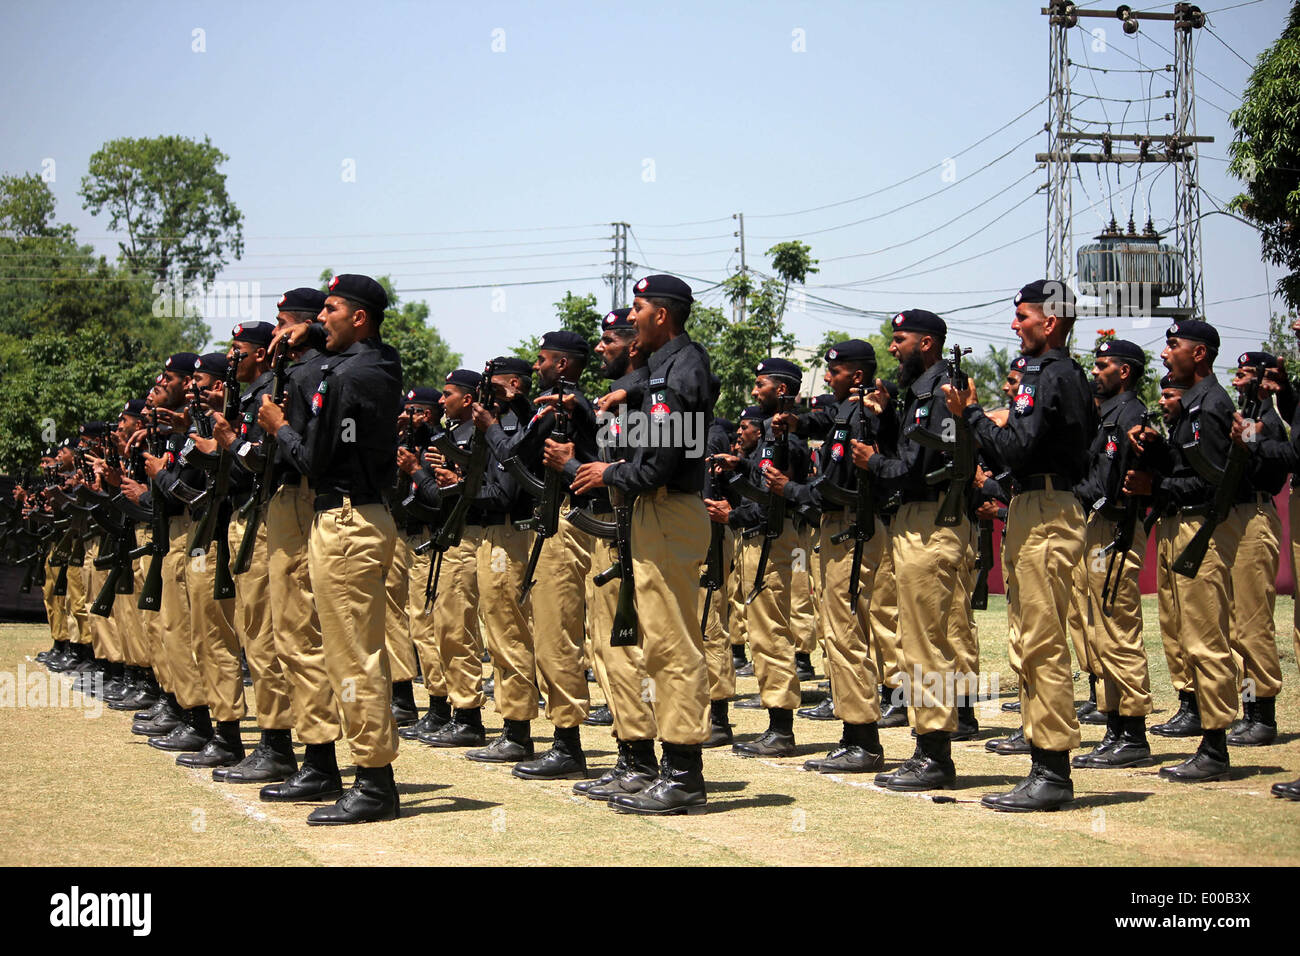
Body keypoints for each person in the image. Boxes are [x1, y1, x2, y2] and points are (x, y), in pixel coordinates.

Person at [943, 280, 1093, 811]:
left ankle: (1052, 771)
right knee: (1030, 638)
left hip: (1047, 509)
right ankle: (1042, 760)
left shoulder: (1046, 374)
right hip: (1040, 505)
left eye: (1022, 316)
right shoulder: (1065, 374)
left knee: (1043, 641)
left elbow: (1020, 447)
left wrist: (973, 414)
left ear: (1049, 322)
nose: (1014, 325)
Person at [259, 273, 403, 824]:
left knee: (353, 657)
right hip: (353, 516)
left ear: (358, 317)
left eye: (332, 309)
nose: (321, 318)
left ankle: (375, 783)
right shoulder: (374, 363)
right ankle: (360, 773)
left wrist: (277, 427)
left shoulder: (351, 375)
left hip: (346, 520)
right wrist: (314, 342)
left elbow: (313, 461)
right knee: (349, 651)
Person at [571, 274, 717, 814]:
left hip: (667, 510)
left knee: (673, 647)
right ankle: (664, 768)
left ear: (662, 315)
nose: (631, 319)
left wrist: (606, 471)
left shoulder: (681, 370)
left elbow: (658, 464)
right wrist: (627, 391)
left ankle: (684, 775)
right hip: (659, 514)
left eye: (638, 308)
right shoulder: (671, 369)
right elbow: (654, 395)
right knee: (657, 645)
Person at [856, 310, 968, 790]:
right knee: (915, 638)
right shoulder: (918, 393)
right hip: (913, 521)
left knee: (928, 642)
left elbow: (919, 469)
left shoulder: (941, 390)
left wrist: (874, 460)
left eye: (899, 339)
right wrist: (883, 426)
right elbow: (908, 458)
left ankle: (936, 754)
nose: (893, 347)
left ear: (927, 343)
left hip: (931, 519)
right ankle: (929, 746)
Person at [1125, 320, 1239, 783]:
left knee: (1205, 637)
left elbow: (1216, 482)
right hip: (1180, 521)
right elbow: (1183, 465)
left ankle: (1215, 749)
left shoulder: (1211, 406)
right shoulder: (1192, 405)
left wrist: (1157, 482)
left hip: (1201, 524)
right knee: (1185, 631)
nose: (1166, 353)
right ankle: (1204, 731)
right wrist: (1155, 450)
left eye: (1174, 346)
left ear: (1200, 354)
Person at [773, 339, 891, 774]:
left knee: (847, 632)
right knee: (837, 631)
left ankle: (864, 739)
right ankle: (852, 732)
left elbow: (837, 484)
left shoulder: (862, 417)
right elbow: (820, 419)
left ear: (856, 376)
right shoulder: (845, 413)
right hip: (839, 528)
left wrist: (790, 490)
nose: (827, 377)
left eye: (835, 372)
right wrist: (796, 421)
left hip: (853, 526)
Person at [1070, 339, 1155, 769]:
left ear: (1124, 372)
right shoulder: (1106, 415)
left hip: (1116, 528)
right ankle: (1115, 726)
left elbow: (1104, 483)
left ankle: (1133, 732)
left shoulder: (1130, 416)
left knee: (1118, 627)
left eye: (1102, 365)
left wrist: (1065, 492)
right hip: (1099, 529)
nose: (1094, 371)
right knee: (1100, 626)